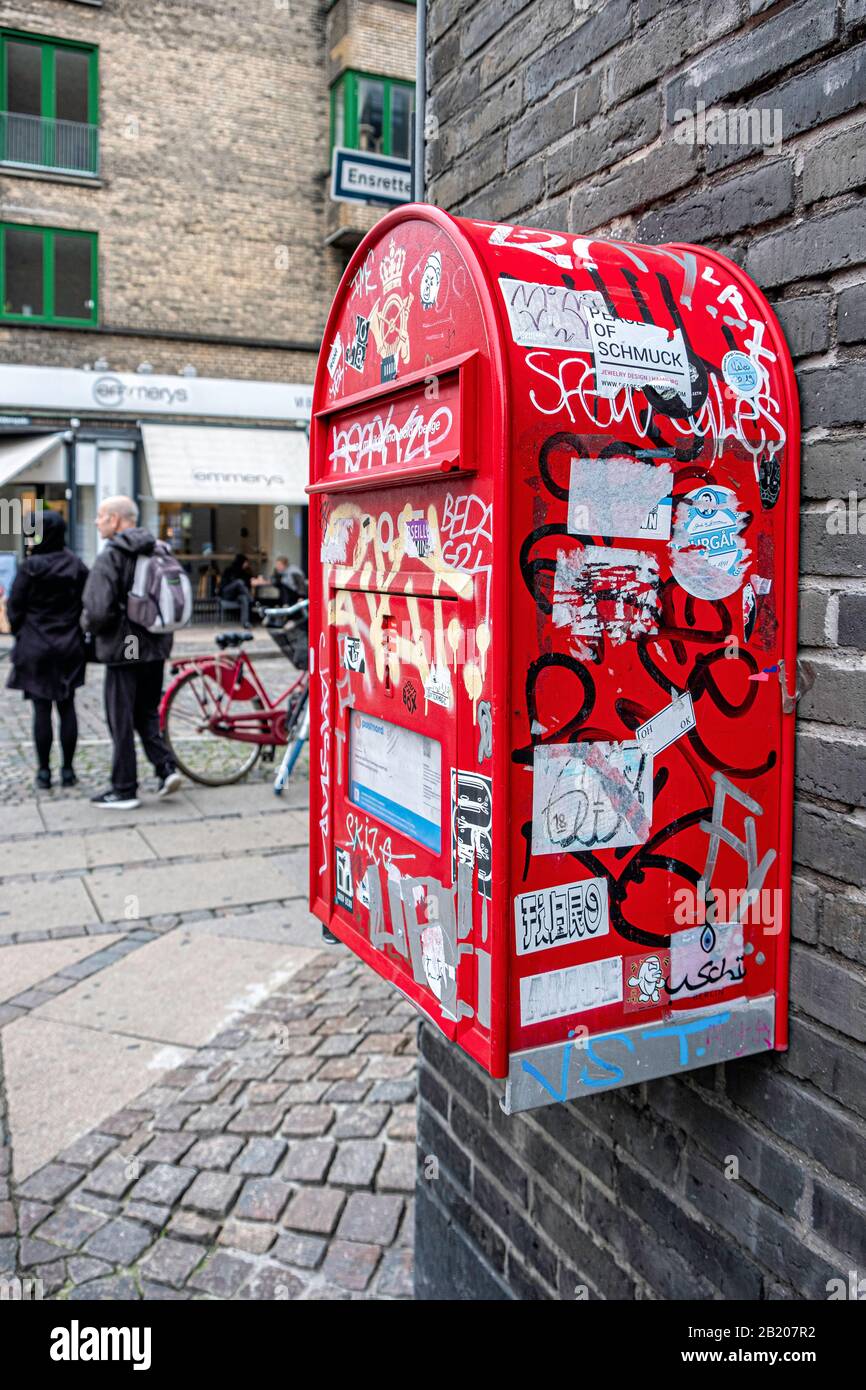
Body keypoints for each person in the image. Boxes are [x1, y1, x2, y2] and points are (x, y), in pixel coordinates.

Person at [82, 495, 181, 809]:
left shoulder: (112, 554)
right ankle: (166, 769)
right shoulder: (158, 548)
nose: (97, 522)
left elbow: (97, 610)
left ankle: (124, 789)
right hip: (156, 643)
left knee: (120, 716)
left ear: (115, 519)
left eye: (100, 516)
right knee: (147, 712)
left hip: (127, 645)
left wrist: (86, 623)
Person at [6, 509, 88, 789]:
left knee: (41, 710)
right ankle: (68, 770)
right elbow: (87, 603)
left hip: (36, 645)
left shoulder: (31, 567)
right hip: (69, 645)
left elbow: (15, 607)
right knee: (67, 707)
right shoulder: (76, 565)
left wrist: (23, 632)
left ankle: (44, 772)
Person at [219, 553, 254, 625]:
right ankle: (251, 599)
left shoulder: (245, 572)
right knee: (239, 582)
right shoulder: (229, 570)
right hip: (227, 594)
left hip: (236, 595)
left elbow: (247, 583)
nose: (246, 565)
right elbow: (224, 584)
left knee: (244, 598)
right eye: (245, 563)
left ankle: (245, 623)